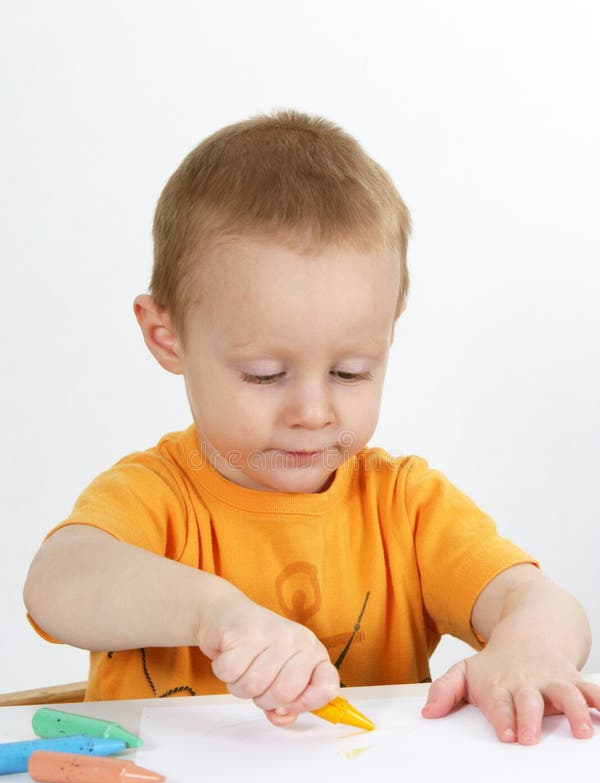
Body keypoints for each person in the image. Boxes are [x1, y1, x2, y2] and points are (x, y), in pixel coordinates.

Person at [24, 110, 599, 745]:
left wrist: (527, 648)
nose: (313, 412)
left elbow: (545, 603)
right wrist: (215, 614)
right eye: (266, 374)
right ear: (168, 338)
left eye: (351, 372)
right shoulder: (156, 497)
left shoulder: (403, 506)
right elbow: (56, 583)